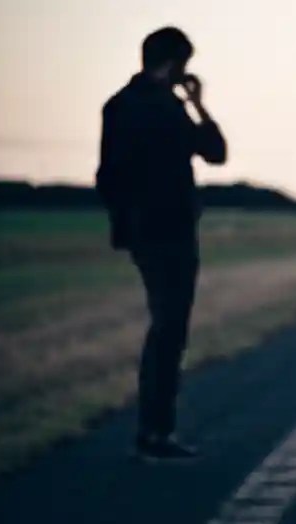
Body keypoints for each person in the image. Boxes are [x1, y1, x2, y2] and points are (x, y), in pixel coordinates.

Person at [96, 27, 226, 460]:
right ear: (173, 64)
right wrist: (197, 104)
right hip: (168, 231)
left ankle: (154, 430)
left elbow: (107, 177)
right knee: (170, 329)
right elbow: (215, 151)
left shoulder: (119, 106)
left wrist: (124, 228)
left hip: (146, 233)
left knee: (167, 327)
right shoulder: (165, 108)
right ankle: (154, 432)